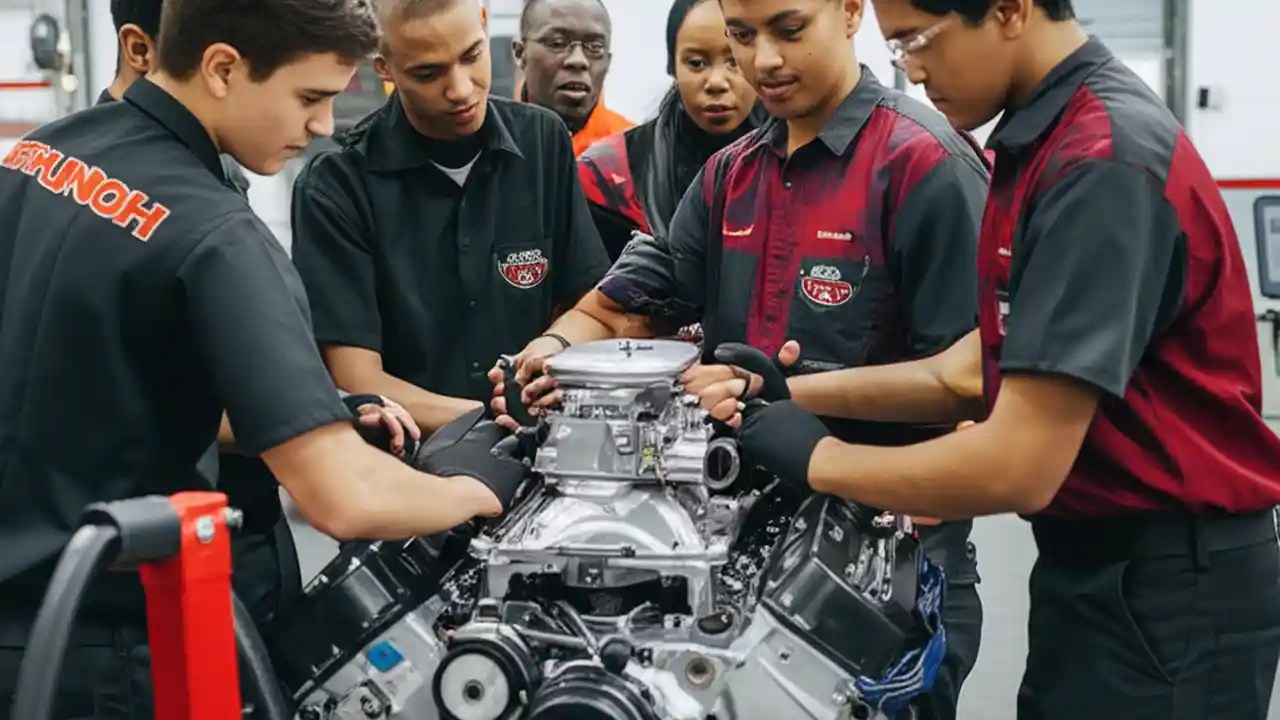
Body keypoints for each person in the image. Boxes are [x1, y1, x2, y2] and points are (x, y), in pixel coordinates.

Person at [694, 0, 1280, 717]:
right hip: (1095, 566)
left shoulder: (1102, 161)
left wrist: (820, 461)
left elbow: (1020, 465)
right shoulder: (1039, 142)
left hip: (1170, 584)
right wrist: (796, 395)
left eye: (917, 40)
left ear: (1008, 10)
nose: (908, 65)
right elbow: (967, 371)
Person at [0, 0, 528, 717]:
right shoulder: (218, 233)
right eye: (308, 98)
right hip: (108, 653)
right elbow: (344, 499)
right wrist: (483, 486)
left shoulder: (40, 154)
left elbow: (104, 378)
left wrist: (300, 414)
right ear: (222, 67)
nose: (319, 128)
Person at [493, 0, 990, 716]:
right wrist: (548, 353)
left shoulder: (925, 166)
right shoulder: (732, 174)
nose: (762, 62)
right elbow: (620, 304)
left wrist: (799, 394)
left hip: (888, 568)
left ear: (851, 12)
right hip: (740, 564)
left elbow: (972, 381)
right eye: (742, 35)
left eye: (789, 31)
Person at [290, 0, 611, 435]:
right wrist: (490, 420)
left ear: (483, 24)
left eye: (471, 56)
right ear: (384, 67)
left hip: (547, 442)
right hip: (410, 460)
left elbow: (591, 307)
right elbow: (356, 379)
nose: (460, 89)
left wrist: (556, 354)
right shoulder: (336, 188)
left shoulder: (543, 142)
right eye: (428, 73)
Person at [577, 0, 762, 261]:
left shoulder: (796, 161)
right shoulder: (609, 173)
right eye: (697, 63)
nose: (717, 82)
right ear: (672, 66)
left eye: (734, 61)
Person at [105, 0, 251, 195]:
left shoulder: (216, 162)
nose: (222, 79)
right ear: (140, 50)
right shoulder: (92, 171)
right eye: (218, 65)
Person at [514, 0, 633, 155]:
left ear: (608, 61)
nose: (578, 60)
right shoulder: (488, 145)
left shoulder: (634, 151)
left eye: (594, 47)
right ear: (520, 53)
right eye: (557, 43)